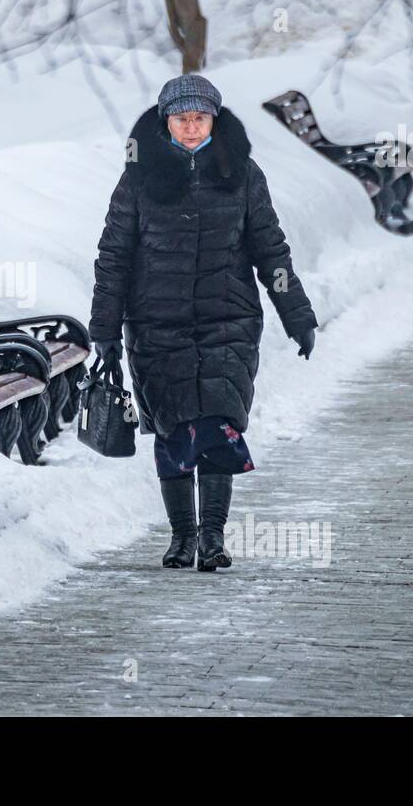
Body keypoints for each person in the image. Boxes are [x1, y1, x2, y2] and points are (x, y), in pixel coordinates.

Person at [89, 74, 318, 572]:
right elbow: (114, 256)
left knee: (218, 426)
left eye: (199, 118)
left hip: (228, 320)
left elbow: (270, 249)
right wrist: (104, 330)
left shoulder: (241, 172)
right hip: (155, 325)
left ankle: (213, 538)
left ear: (214, 119)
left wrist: (296, 315)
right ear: (164, 120)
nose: (191, 128)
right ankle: (182, 537)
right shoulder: (139, 176)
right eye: (181, 118)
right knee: (174, 429)